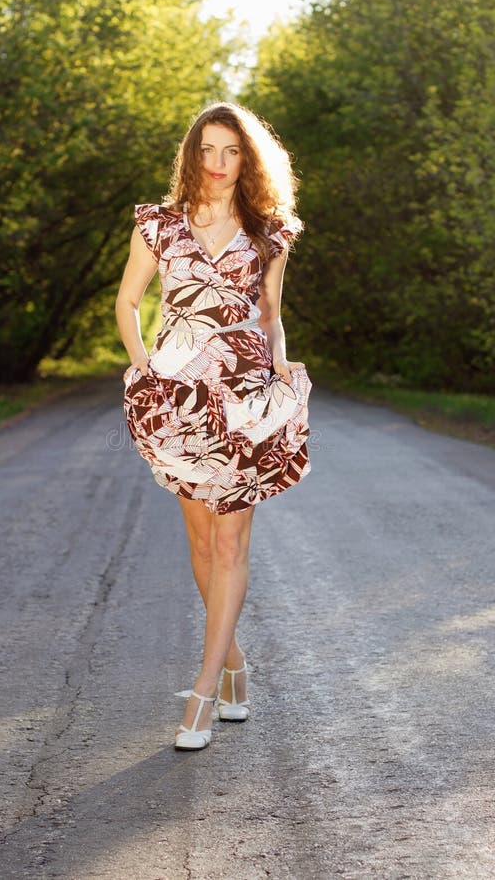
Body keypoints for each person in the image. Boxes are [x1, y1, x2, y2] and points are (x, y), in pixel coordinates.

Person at [115, 101, 311, 751]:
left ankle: (202, 693)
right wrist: (145, 368)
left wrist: (280, 361)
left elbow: (271, 314)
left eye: (233, 152)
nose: (220, 164)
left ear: (247, 158)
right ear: (192, 155)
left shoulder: (268, 232)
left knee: (231, 546)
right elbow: (127, 302)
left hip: (245, 397)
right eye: (209, 150)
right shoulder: (159, 227)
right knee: (201, 548)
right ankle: (235, 668)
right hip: (180, 395)